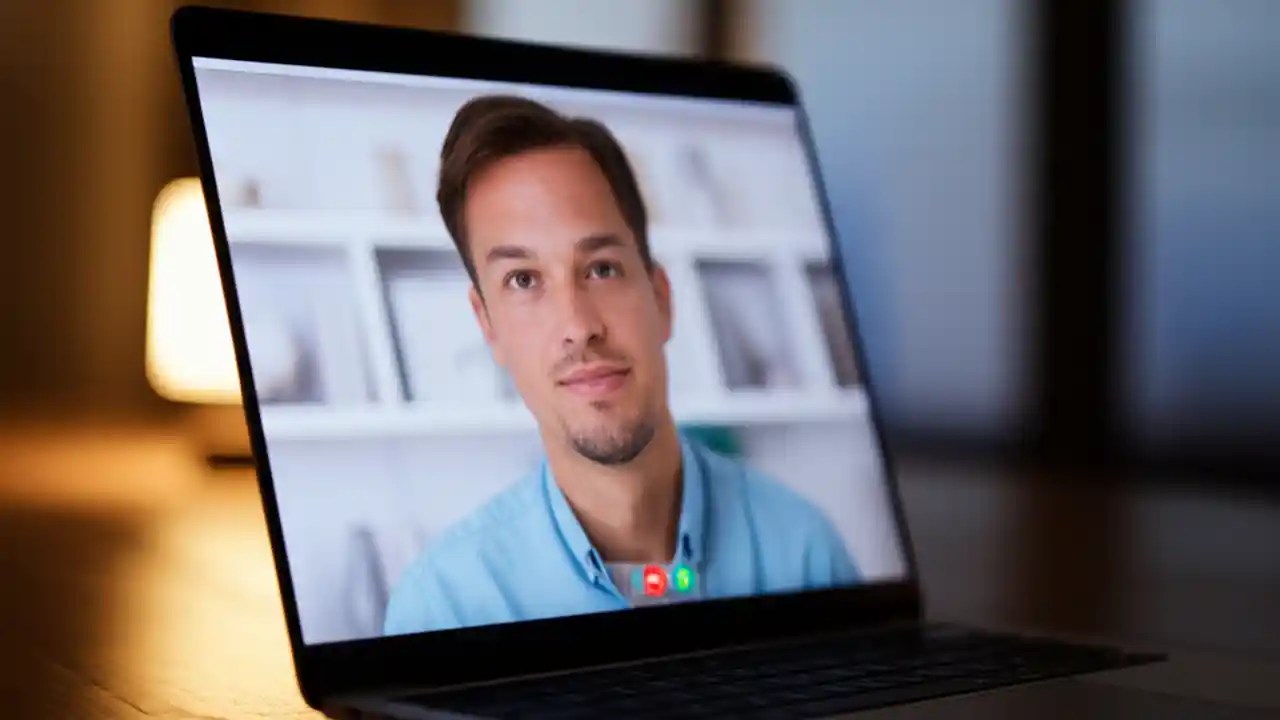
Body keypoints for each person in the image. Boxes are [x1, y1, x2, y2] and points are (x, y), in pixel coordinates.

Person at [384, 96, 858, 635]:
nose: (578, 325)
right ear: (488, 325)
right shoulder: (443, 609)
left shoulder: (804, 553)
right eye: (523, 280)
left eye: (602, 269)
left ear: (662, 298)